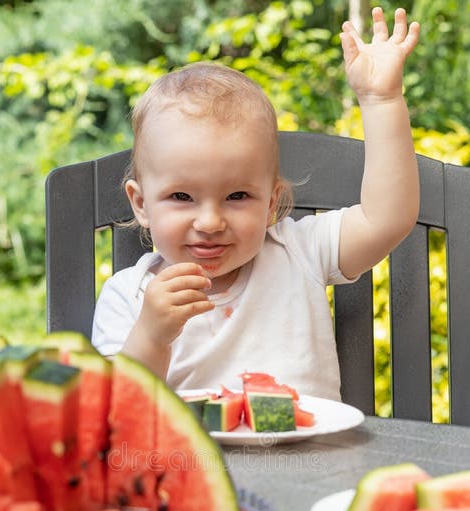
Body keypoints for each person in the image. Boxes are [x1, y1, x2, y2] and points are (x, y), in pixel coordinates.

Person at [92, 6, 420, 400]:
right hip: (187, 462)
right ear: (141, 204)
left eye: (237, 196)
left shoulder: (300, 253)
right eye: (181, 197)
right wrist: (151, 335)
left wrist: (381, 100)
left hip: (312, 460)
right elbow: (113, 412)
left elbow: (387, 219)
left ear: (271, 204)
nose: (210, 221)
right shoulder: (129, 296)